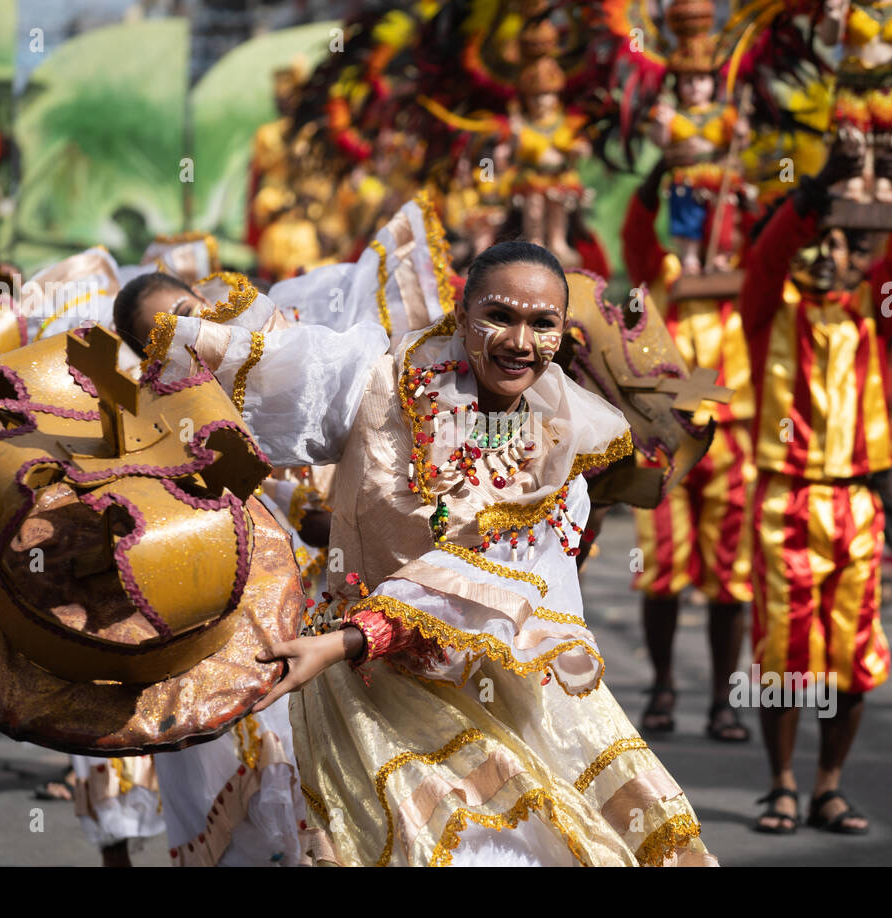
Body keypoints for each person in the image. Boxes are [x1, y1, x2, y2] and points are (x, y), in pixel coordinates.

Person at [150, 238, 716, 866]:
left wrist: (345, 640)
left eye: (543, 324)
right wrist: (174, 358)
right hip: (369, 693)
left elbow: (494, 582)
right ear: (462, 313)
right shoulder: (379, 379)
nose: (520, 342)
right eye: (499, 316)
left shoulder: (565, 459)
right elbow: (272, 376)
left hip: (504, 701)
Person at [740, 144, 892, 835]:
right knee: (786, 656)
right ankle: (781, 784)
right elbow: (765, 256)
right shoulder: (767, 308)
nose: (834, 255)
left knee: (853, 654)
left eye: (850, 246)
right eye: (822, 241)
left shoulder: (872, 312)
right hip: (785, 501)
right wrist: (812, 195)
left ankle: (828, 786)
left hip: (857, 502)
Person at [621, 159, 754, 741]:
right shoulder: (665, 270)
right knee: (661, 571)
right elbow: (633, 237)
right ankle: (664, 685)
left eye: (714, 208)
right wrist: (655, 180)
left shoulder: (755, 273)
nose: (703, 221)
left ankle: (725, 699)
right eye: (690, 206)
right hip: (667, 438)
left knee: (731, 574)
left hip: (734, 437)